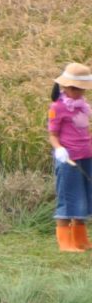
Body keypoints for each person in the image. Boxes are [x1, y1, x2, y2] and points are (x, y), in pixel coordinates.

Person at [51, 62, 92, 252]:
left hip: (86, 156)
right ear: (65, 87)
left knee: (84, 197)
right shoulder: (57, 107)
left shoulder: (83, 107)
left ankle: (81, 239)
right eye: (74, 88)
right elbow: (53, 135)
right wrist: (59, 149)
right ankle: (65, 242)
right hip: (68, 159)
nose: (78, 92)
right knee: (68, 198)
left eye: (81, 89)